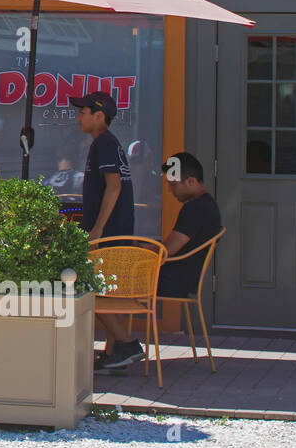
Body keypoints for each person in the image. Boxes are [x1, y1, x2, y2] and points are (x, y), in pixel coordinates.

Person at [97, 151, 222, 370]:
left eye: (173, 185)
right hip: (180, 277)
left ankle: (126, 345)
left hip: (172, 281)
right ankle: (114, 352)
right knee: (109, 278)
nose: (169, 190)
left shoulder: (195, 209)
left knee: (94, 286)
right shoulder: (207, 205)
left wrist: (136, 248)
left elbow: (167, 251)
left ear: (191, 181)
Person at [69, 91, 134, 242]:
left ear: (98, 116)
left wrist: (98, 228)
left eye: (83, 113)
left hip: (108, 236)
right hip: (112, 234)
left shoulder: (104, 142)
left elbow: (114, 186)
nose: (79, 119)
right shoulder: (106, 142)